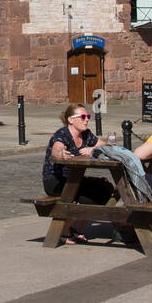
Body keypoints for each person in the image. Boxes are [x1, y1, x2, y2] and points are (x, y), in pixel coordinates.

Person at [42, 104, 110, 244]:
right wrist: (61, 154)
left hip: (75, 179)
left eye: (88, 117)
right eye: (83, 117)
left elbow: (105, 146)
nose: (86, 120)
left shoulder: (86, 135)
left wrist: (92, 149)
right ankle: (64, 230)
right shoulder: (62, 134)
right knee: (85, 194)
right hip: (56, 181)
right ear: (70, 120)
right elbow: (57, 148)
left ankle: (77, 228)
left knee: (106, 189)